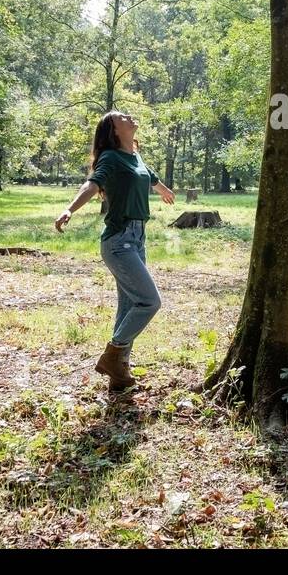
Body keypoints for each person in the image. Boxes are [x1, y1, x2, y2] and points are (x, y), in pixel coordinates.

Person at [55, 110, 174, 389]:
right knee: (149, 301)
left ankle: (119, 375)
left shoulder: (135, 156)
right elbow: (92, 183)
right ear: (113, 130)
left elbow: (150, 177)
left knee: (129, 305)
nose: (129, 117)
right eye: (122, 117)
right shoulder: (111, 157)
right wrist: (69, 209)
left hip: (138, 238)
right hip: (119, 240)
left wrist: (164, 189)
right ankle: (113, 353)